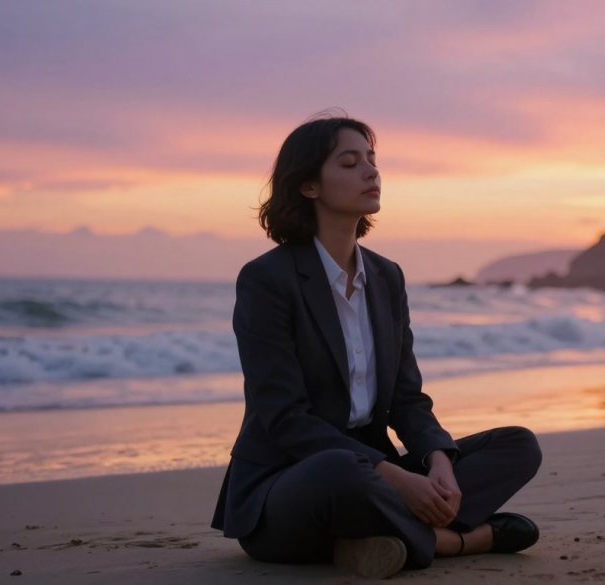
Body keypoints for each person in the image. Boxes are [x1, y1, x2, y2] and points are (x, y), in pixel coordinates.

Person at [210, 114, 542, 579]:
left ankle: (374, 539)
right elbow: (285, 419)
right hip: (288, 487)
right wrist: (397, 478)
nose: (371, 172)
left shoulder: (387, 277)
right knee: (341, 470)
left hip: (374, 478)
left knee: (518, 445)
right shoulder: (268, 280)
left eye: (371, 160)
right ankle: (459, 540)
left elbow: (407, 399)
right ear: (309, 186)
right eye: (350, 163)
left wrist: (436, 460)